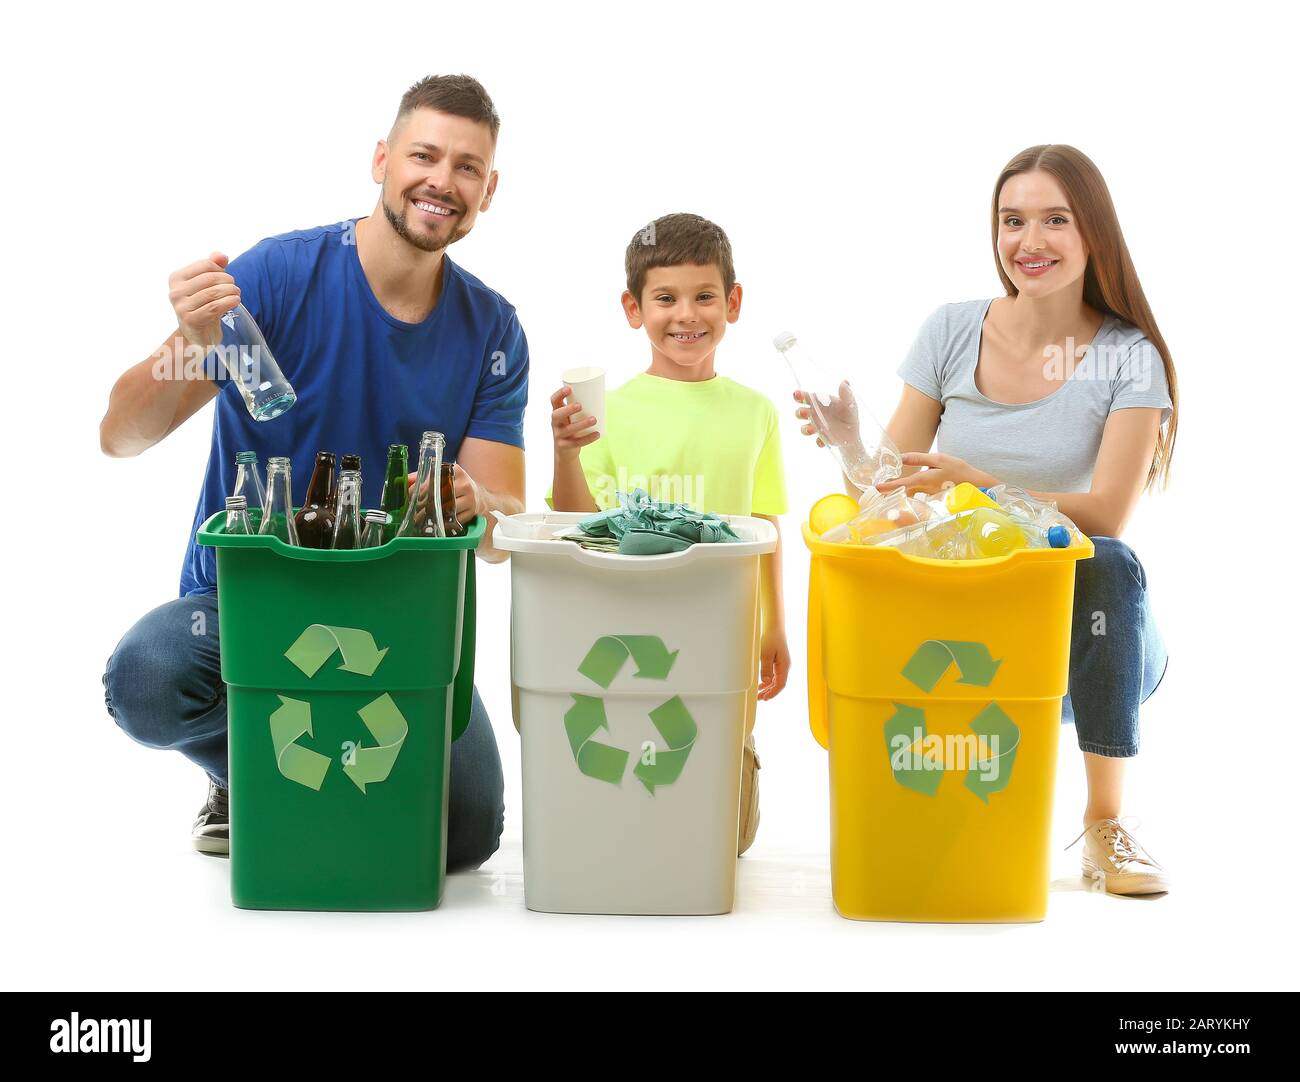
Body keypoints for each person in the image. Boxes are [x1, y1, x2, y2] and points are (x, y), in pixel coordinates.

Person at [99, 75, 527, 867]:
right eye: (423, 155)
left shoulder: (493, 329)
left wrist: (480, 502)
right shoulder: (276, 279)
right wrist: (191, 340)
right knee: (149, 677)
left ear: (488, 190)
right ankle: (251, 778)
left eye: (467, 167)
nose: (443, 180)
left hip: (406, 626)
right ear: (380, 160)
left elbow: (501, 535)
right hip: (251, 611)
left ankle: (314, 776)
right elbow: (120, 438)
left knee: (466, 831)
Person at [798, 145, 1176, 896]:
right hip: (973, 623)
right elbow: (889, 494)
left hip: (1085, 648)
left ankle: (1107, 826)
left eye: (1054, 220)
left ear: (1093, 233)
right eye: (1013, 221)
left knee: (1106, 561)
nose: (1028, 241)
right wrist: (850, 444)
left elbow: (1107, 516)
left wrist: (981, 480)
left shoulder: (1128, 357)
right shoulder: (951, 330)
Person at [549, 212, 790, 855]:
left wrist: (775, 626)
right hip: (627, 626)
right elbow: (578, 529)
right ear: (634, 308)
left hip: (724, 626)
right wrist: (567, 452)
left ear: (732, 302)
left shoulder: (756, 413)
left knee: (725, 834)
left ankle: (691, 826)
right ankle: (625, 825)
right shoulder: (609, 411)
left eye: (704, 296)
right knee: (631, 755)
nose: (687, 315)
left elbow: (763, 524)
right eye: (665, 298)